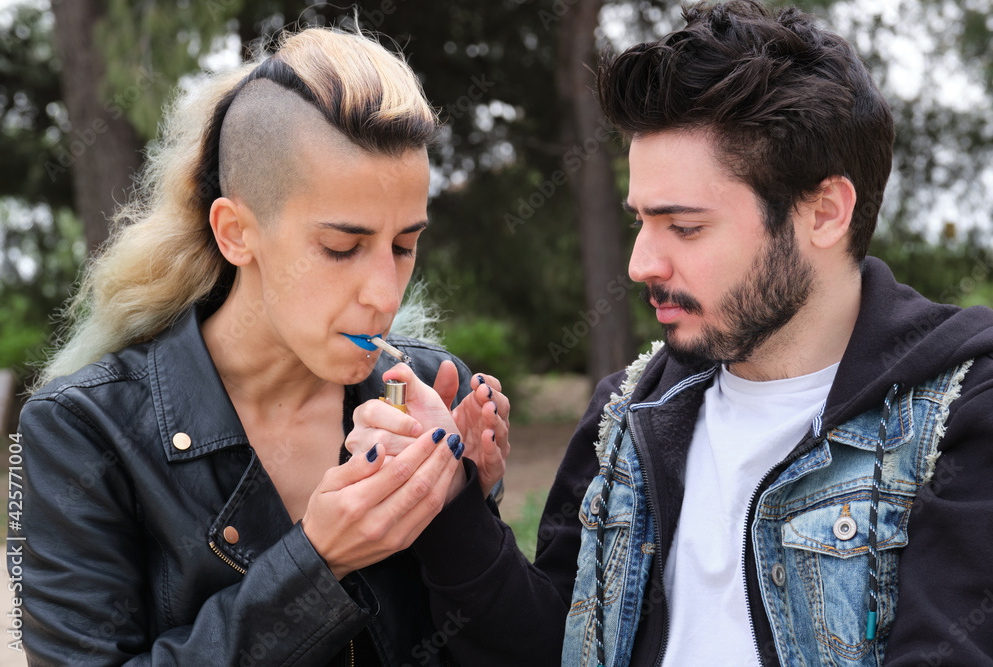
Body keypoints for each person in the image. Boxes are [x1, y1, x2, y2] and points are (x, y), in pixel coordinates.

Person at [357, 2, 993, 665]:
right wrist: (449, 495)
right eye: (641, 221)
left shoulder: (961, 417)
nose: (641, 264)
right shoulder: (627, 415)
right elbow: (545, 646)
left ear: (825, 212)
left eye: (684, 227)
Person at [14, 27, 510, 666]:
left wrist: (469, 512)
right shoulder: (79, 431)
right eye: (341, 247)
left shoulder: (429, 391)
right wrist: (316, 563)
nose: (383, 294)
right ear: (235, 233)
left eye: (404, 244)